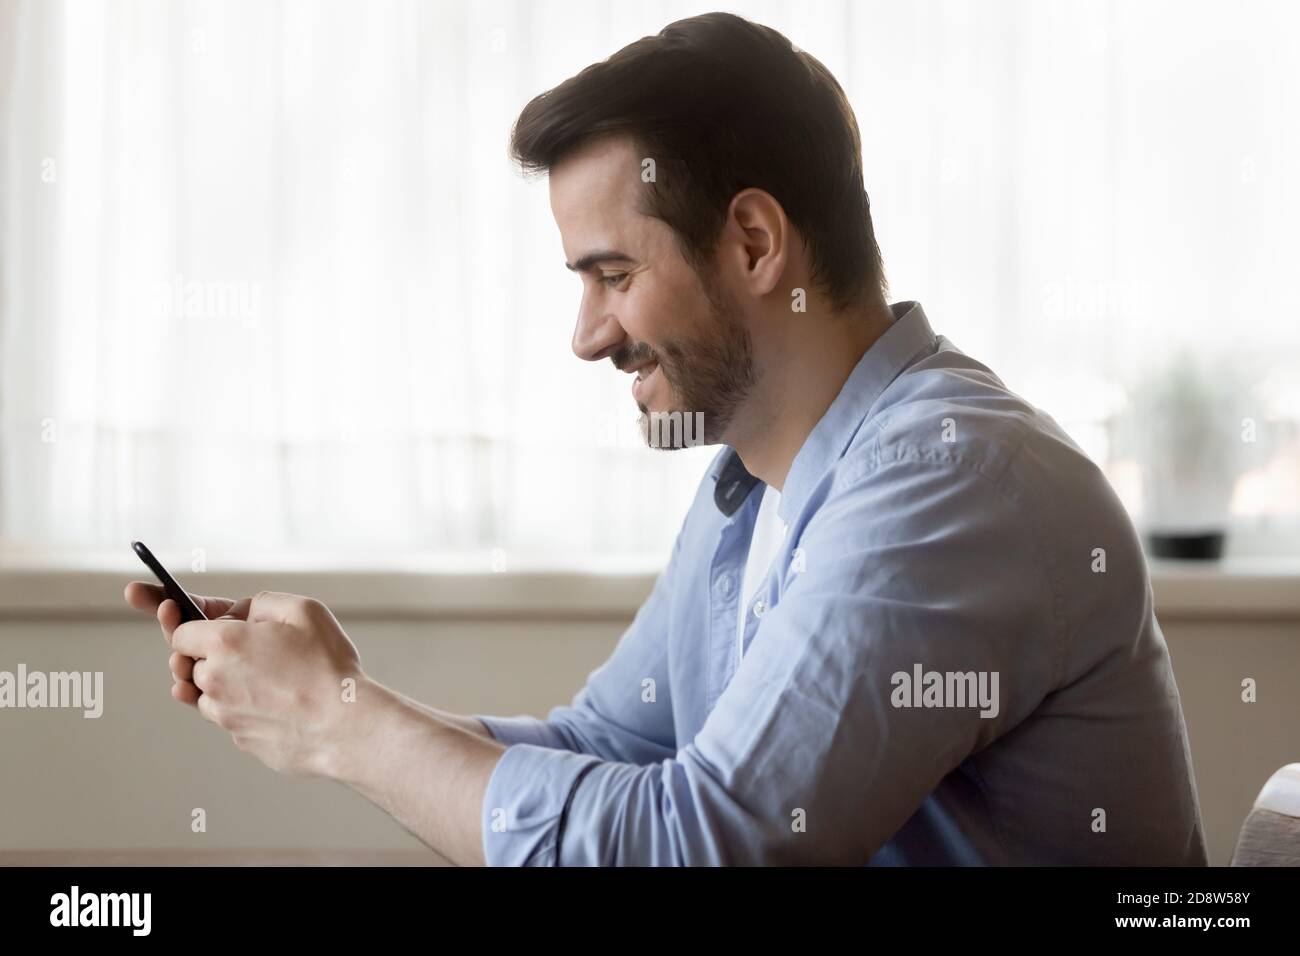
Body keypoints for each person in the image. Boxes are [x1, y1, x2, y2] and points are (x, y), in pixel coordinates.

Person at [126, 12, 1208, 866]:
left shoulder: (948, 481)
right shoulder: (755, 478)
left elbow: (705, 843)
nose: (587, 334)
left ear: (751, 240)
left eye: (613, 275)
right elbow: (616, 749)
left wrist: (345, 724)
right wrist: (329, 692)